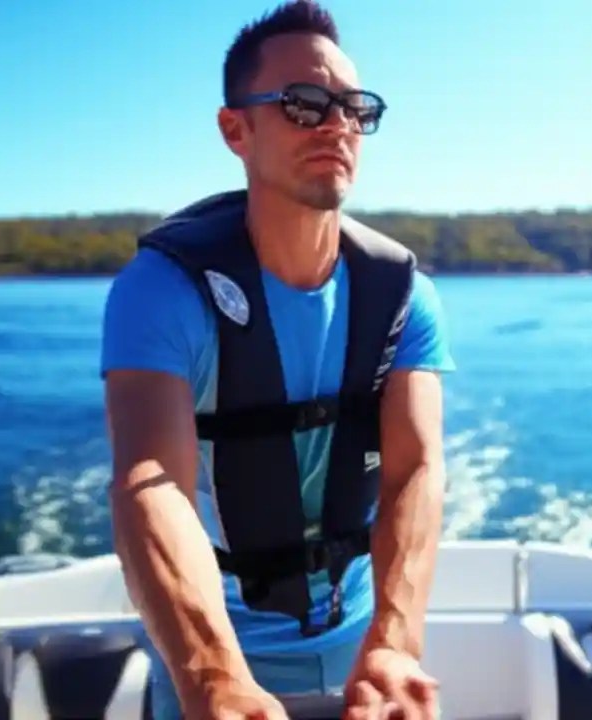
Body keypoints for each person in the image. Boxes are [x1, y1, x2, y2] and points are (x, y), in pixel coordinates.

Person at [100, 2, 453, 718]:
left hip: (363, 643)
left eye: (354, 108)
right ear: (237, 129)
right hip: (210, 645)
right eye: (304, 103)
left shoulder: (403, 296)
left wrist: (394, 641)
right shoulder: (163, 292)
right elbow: (151, 479)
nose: (336, 124)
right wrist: (211, 677)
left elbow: (415, 468)